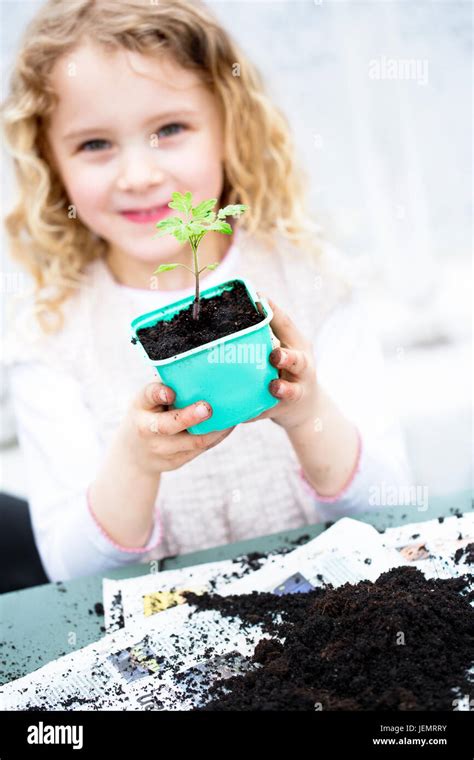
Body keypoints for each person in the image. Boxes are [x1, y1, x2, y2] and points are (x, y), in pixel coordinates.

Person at [1, 0, 413, 583]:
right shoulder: (47, 338)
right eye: (95, 144)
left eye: (169, 129)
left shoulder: (314, 280)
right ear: (50, 160)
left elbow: (392, 509)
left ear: (230, 125)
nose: (139, 176)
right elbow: (74, 572)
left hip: (336, 613)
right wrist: (136, 462)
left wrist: (308, 412)